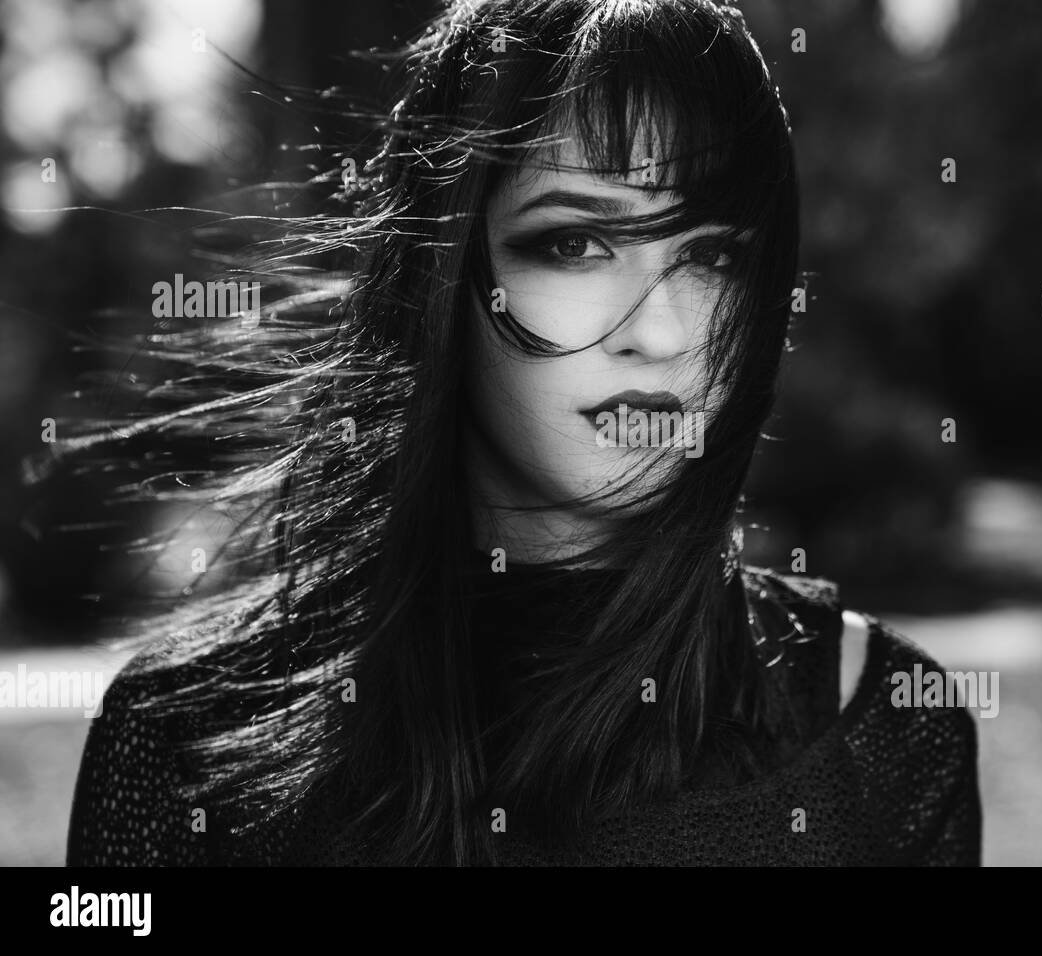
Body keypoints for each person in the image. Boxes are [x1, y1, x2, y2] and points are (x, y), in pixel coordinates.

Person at [61, 0, 981, 866]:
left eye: (711, 255)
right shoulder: (189, 736)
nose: (658, 335)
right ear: (442, 275)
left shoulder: (885, 725)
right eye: (577, 244)